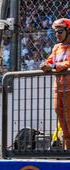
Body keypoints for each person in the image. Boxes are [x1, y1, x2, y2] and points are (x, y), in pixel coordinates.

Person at [40, 18, 70, 150]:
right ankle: (67, 149)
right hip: (58, 89)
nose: (57, 35)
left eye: (60, 31)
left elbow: (67, 63)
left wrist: (53, 66)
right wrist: (45, 65)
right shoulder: (56, 47)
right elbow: (50, 61)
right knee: (61, 116)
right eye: (56, 32)